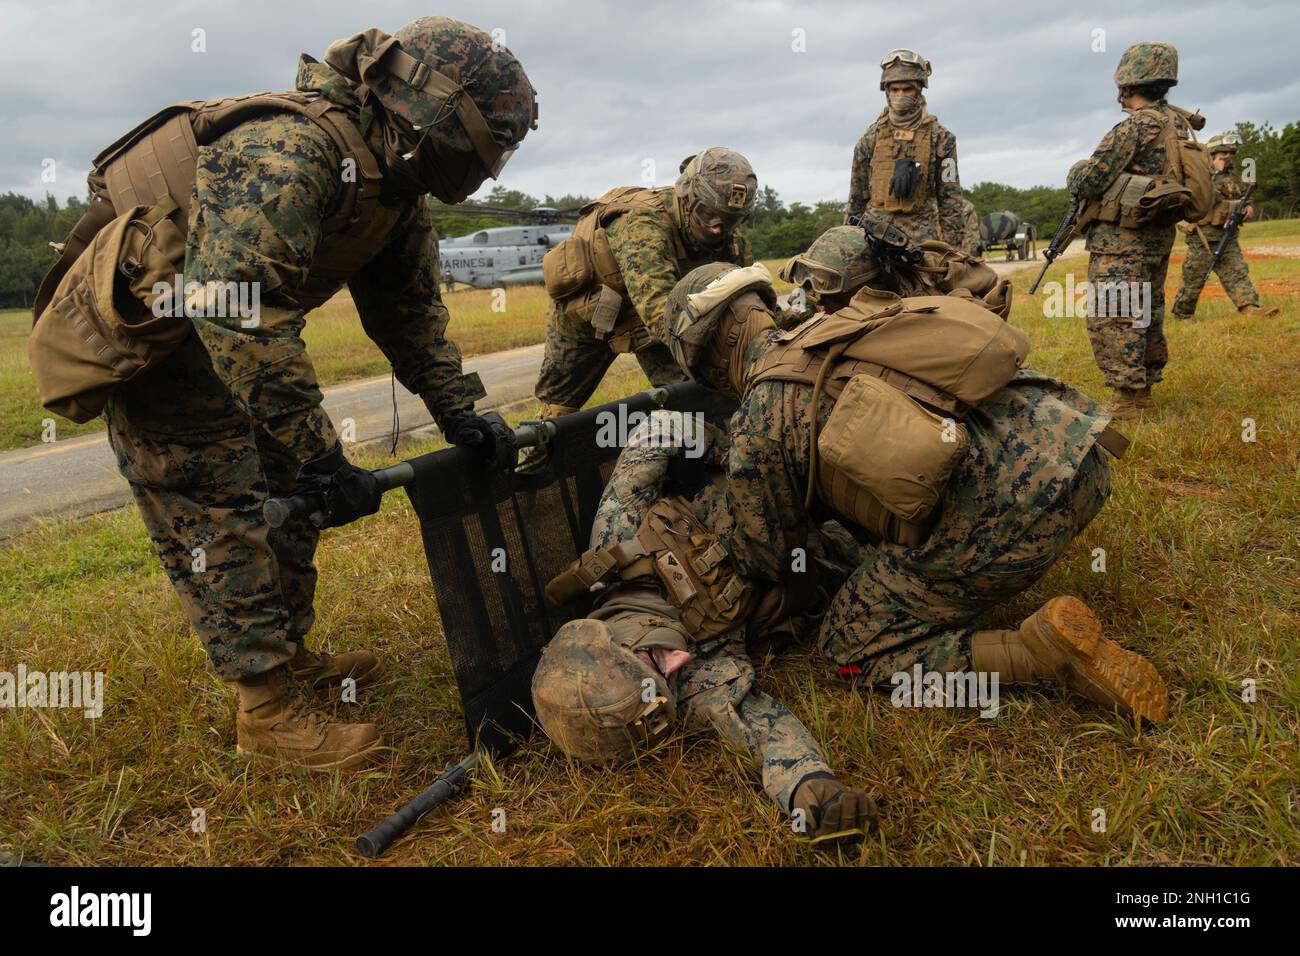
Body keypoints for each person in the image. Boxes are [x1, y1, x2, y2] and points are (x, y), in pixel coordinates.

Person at [32, 17, 537, 771]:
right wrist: (319, 451)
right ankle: (264, 711)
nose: (488, 165)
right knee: (221, 512)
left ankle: (290, 660)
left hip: (230, 344)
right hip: (169, 351)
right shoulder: (288, 150)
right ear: (429, 107)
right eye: (486, 139)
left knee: (288, 503)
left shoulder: (390, 184)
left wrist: (459, 411)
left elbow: (410, 316)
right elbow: (236, 309)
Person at [658, 259, 1170, 724]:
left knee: (850, 649)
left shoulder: (761, 413)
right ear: (762, 308)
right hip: (1083, 457)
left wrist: (722, 509)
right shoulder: (843, 321)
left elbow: (768, 557)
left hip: (1021, 518)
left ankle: (1040, 654)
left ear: (713, 349)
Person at [533, 414, 878, 843]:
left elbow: (656, 432)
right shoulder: (694, 683)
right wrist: (813, 792)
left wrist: (743, 456)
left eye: (654, 658)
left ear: (613, 637)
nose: (682, 659)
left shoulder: (616, 542)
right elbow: (762, 729)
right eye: (666, 681)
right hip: (825, 553)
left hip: (782, 474)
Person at [518, 149, 757, 471]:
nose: (719, 228)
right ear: (687, 199)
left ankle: (693, 477)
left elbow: (742, 294)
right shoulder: (642, 224)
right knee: (554, 419)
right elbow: (660, 312)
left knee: (694, 401)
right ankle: (523, 481)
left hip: (652, 329)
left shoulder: (730, 239)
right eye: (708, 215)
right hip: (588, 320)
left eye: (730, 220)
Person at [1067, 40, 1203, 420]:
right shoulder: (1178, 124)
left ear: (1127, 83)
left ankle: (1129, 399)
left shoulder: (1137, 127)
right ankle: (1142, 391)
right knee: (1147, 308)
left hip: (1123, 240)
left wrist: (1076, 169)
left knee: (1116, 311)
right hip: (1157, 236)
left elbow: (1091, 180)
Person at [845, 49, 963, 244]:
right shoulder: (870, 138)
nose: (900, 95)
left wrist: (952, 251)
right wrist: (849, 239)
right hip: (874, 236)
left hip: (921, 240)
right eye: (894, 89)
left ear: (918, 90)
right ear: (887, 92)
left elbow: (950, 200)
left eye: (907, 89)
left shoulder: (941, 138)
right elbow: (855, 198)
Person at [1171, 133, 1279, 320]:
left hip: (1226, 235)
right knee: (1194, 278)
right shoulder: (1197, 176)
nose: (1228, 157)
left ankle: (1249, 308)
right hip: (1203, 237)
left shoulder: (1232, 177)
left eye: (1230, 153)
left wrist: (1247, 207)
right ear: (1212, 154)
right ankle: (1183, 314)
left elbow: (1243, 196)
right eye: (1223, 154)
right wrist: (1213, 174)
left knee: (1237, 272)